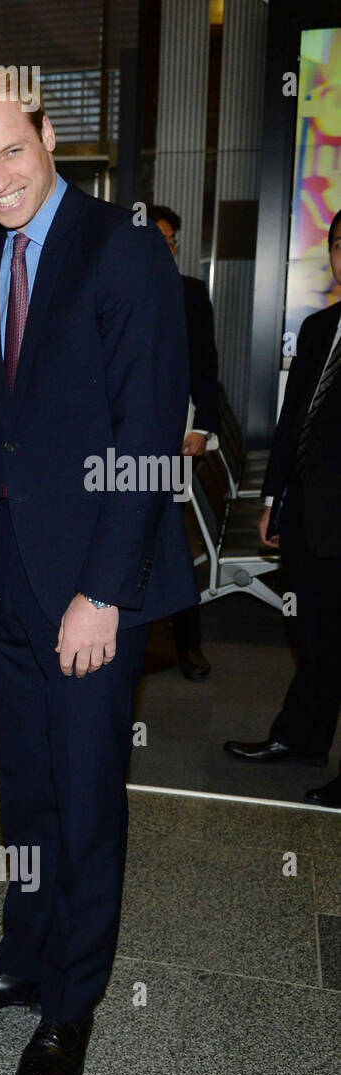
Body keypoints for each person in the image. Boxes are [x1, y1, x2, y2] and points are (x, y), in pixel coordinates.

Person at [0, 84, 195, 1075]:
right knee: (24, 794)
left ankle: (71, 1004)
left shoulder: (121, 250)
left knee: (83, 800)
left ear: (47, 138)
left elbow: (147, 436)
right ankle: (22, 962)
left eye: (10, 153)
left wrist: (103, 594)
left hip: (91, 591)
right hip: (6, 584)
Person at [224, 209, 341, 806]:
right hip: (306, 519)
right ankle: (300, 739)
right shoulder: (321, 328)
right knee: (316, 640)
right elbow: (293, 419)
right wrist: (273, 499)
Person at [152, 204, 222, 680]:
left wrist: (203, 428)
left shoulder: (190, 294)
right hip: (115, 441)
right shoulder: (108, 289)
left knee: (170, 537)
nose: (164, 247)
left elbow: (206, 366)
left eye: (170, 239)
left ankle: (188, 645)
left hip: (174, 436)